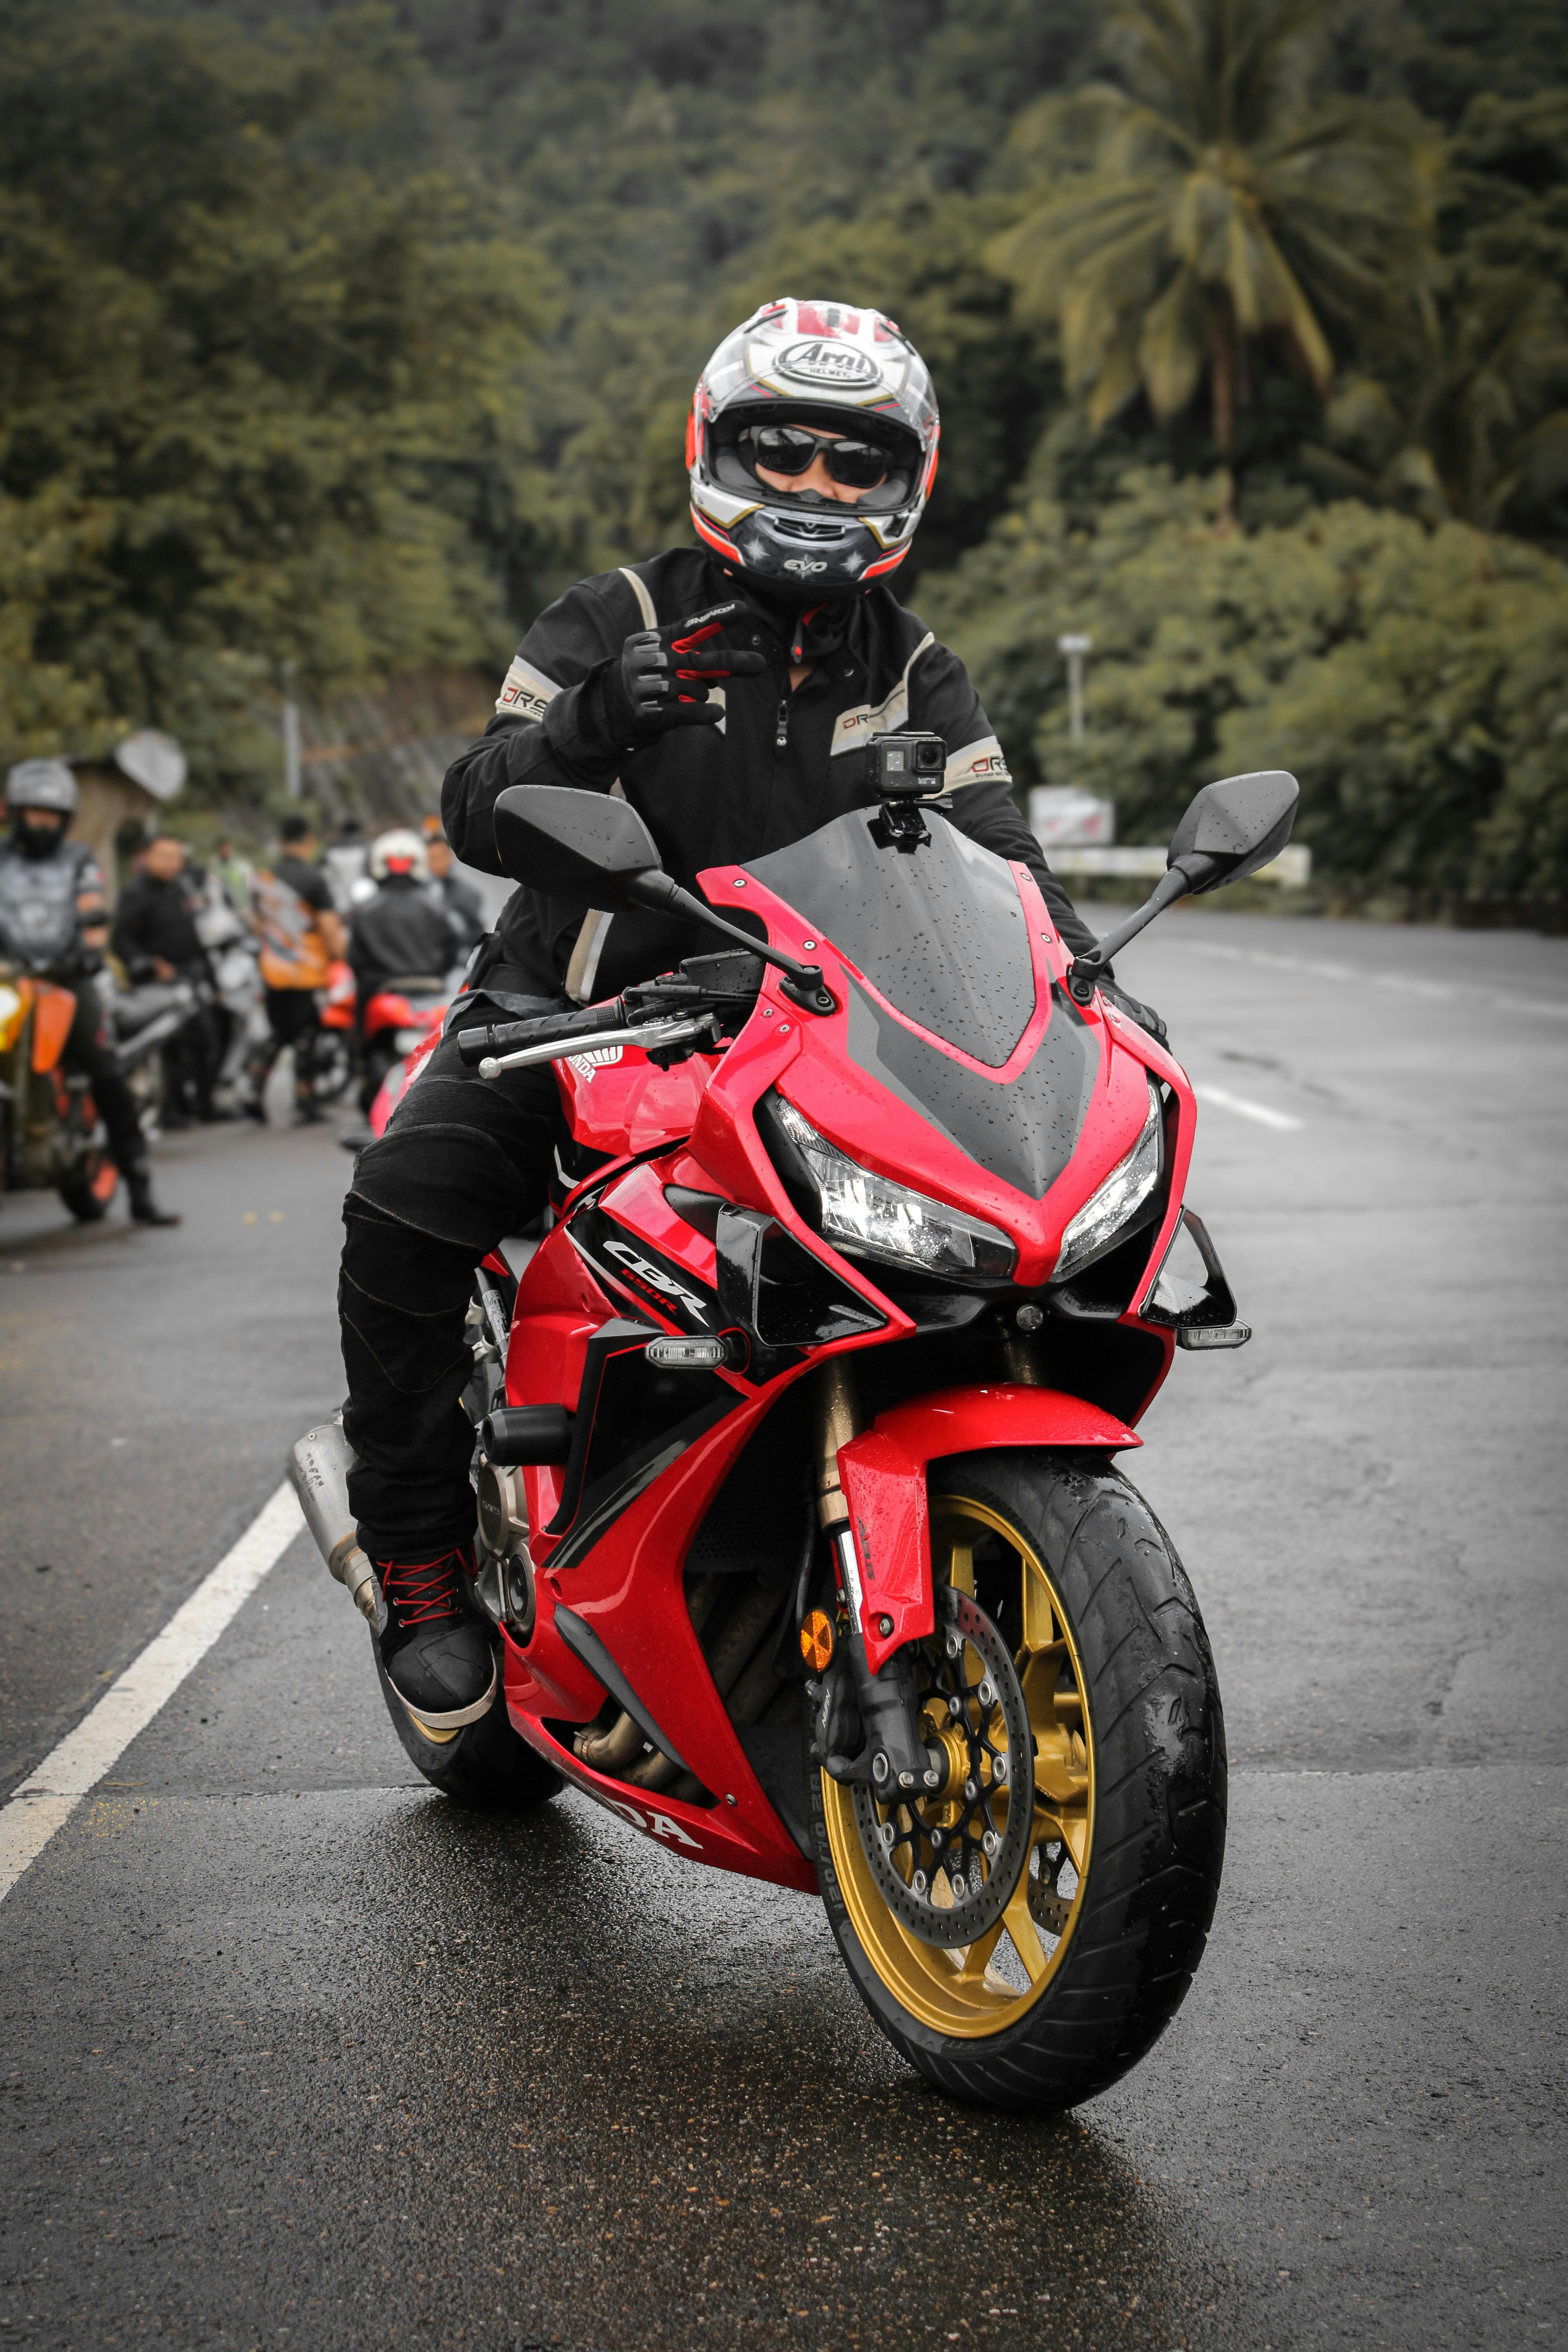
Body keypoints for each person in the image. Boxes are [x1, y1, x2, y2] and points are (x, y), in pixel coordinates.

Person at [337, 297, 1161, 1726]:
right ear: (715, 450)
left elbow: (1004, 859)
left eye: (853, 466)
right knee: (403, 1202)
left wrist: (1092, 992)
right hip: (579, 1012)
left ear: (907, 482)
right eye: (782, 455)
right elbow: (476, 806)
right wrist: (591, 722)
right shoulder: (616, 615)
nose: (814, 491)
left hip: (804, 1037)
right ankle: (416, 1557)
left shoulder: (913, 669)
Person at [0, 759, 178, 1225]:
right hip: (8, 982)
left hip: (67, 981)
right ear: (16, 812)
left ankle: (140, 1190)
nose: (44, 822)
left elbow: (92, 910)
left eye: (53, 814)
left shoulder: (78, 860)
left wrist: (89, 950)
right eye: (35, 812)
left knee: (103, 1067)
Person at [111, 830, 225, 1125]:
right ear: (146, 857)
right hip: (156, 985)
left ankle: (203, 1105)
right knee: (170, 1048)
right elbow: (122, 940)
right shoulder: (136, 893)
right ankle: (170, 1111)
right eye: (164, 857)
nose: (172, 863)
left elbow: (198, 935)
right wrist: (149, 964)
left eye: (177, 858)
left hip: (191, 978)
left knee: (204, 1042)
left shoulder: (182, 888)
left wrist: (212, 981)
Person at [246, 812, 346, 1124]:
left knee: (279, 1032)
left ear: (280, 842)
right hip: (306, 972)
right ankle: (305, 1099)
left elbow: (256, 923)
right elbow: (329, 928)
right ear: (308, 841)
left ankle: (253, 1088)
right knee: (306, 1036)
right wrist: (341, 957)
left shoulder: (264, 879)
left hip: (272, 970)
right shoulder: (314, 879)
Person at [422, 827, 486, 961]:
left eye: (442, 856)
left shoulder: (467, 893)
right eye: (432, 858)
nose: (438, 863)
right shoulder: (418, 892)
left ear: (450, 857)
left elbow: (476, 931)